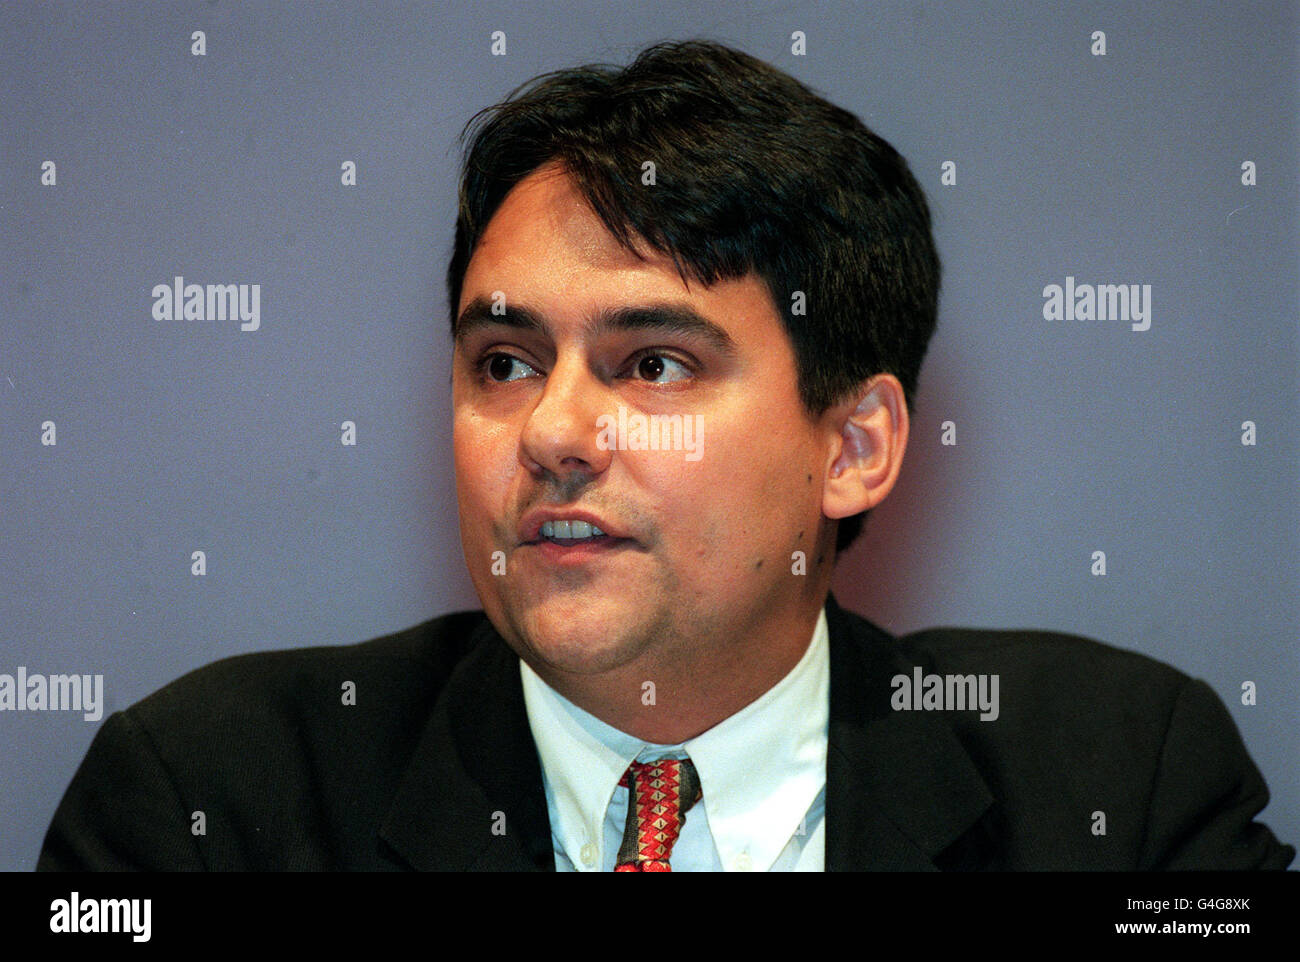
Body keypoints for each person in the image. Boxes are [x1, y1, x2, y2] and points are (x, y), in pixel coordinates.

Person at [38, 40, 1292, 872]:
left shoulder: (1117, 790)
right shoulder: (218, 802)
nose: (553, 433)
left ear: (854, 445)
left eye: (652, 365)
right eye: (506, 362)